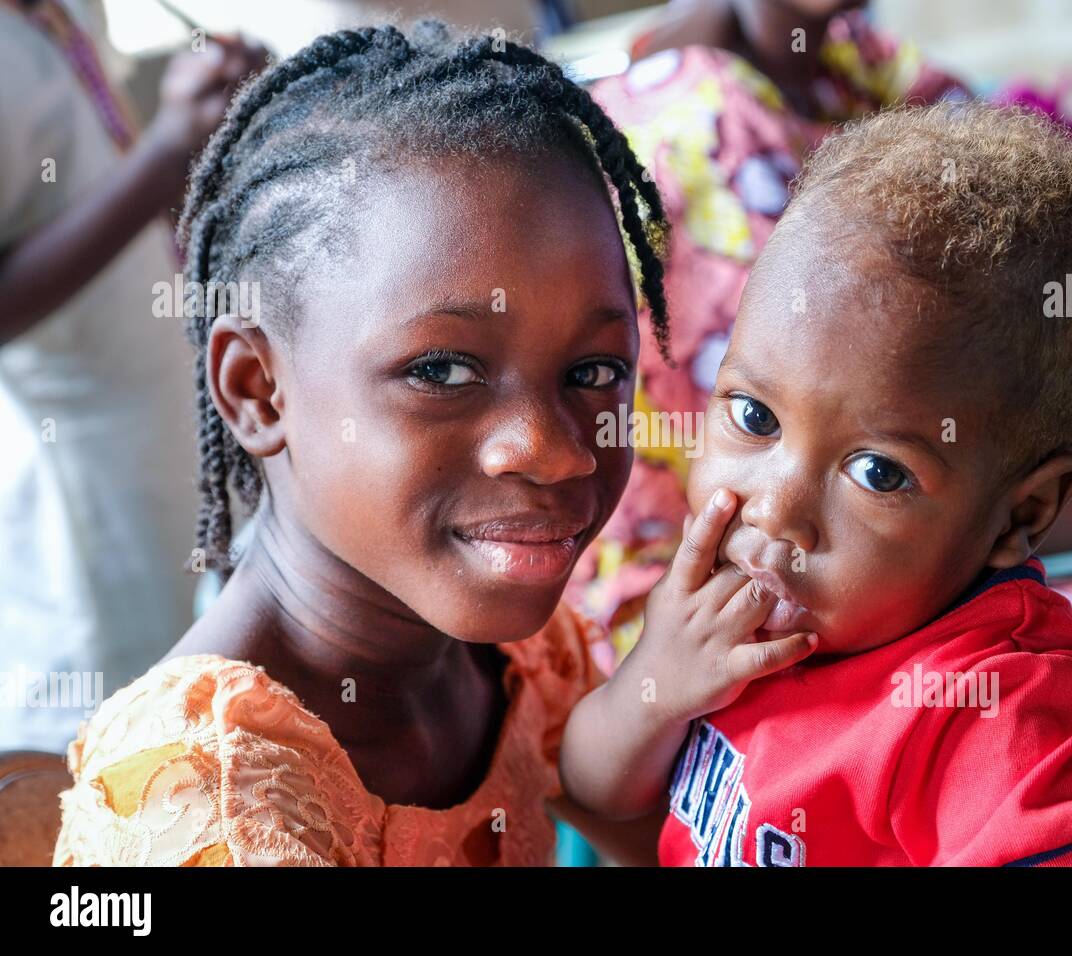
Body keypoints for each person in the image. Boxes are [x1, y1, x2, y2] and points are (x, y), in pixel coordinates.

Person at [53, 21, 669, 867]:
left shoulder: (519, 656)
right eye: (444, 371)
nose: (554, 452)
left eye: (594, 369)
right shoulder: (202, 806)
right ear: (257, 390)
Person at [560, 104, 1072, 866]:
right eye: (755, 416)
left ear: (1021, 514)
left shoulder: (991, 705)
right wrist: (659, 678)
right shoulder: (723, 611)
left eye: (878, 472)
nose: (777, 511)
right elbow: (592, 789)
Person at [572, 0, 968, 656]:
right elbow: (793, 493)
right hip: (704, 599)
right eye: (755, 417)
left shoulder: (850, 64)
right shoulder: (702, 120)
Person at [0, 0, 264, 752]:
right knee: (124, 748)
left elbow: (89, 187)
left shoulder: (57, 11)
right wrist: (164, 153)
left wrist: (191, 145)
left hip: (162, 431)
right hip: (81, 492)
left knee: (203, 719)